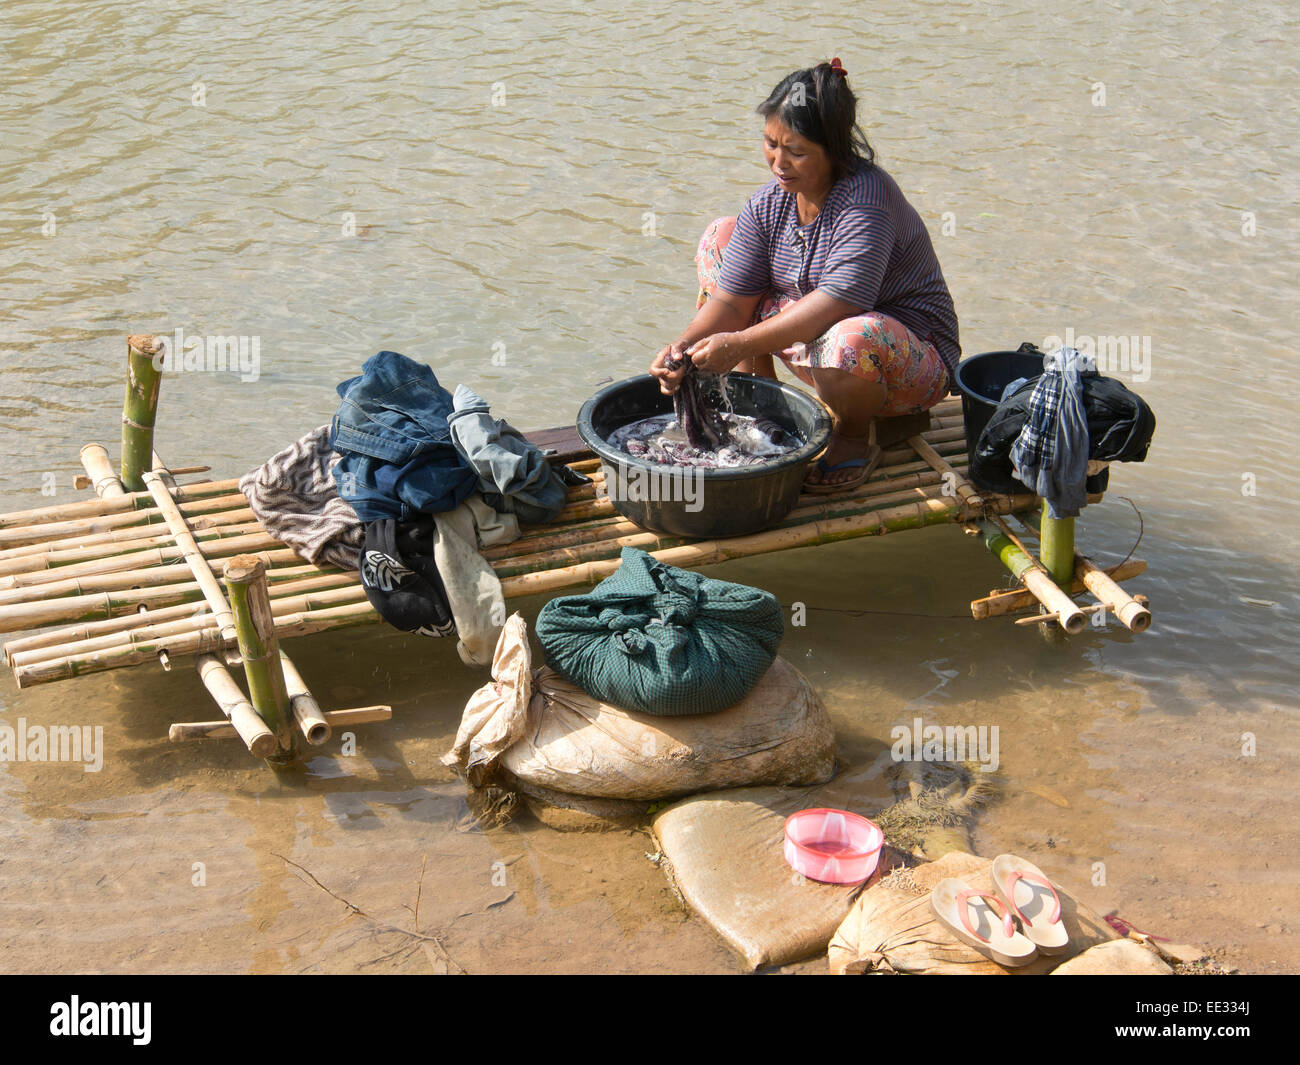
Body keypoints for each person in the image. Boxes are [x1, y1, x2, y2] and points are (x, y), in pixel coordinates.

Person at [650, 58, 960, 493]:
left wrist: (737, 343)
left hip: (906, 364)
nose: (779, 163)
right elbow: (730, 301)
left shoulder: (866, 201)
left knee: (850, 338)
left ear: (835, 151)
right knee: (721, 235)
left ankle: (853, 437)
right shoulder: (770, 203)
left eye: (796, 152)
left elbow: (840, 302)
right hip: (821, 342)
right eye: (771, 144)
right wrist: (683, 347)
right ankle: (761, 403)